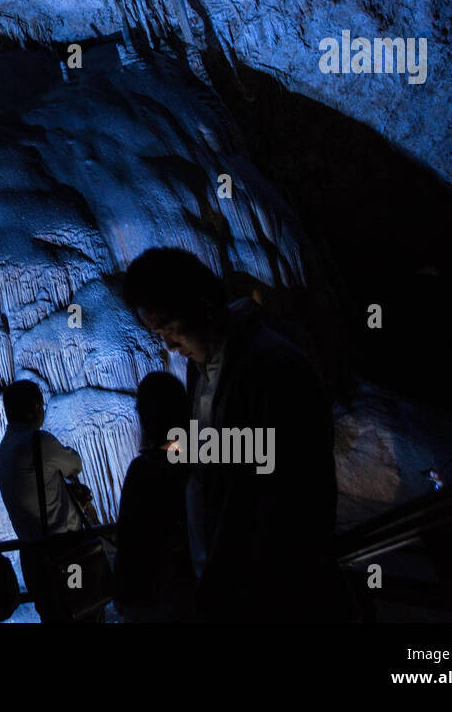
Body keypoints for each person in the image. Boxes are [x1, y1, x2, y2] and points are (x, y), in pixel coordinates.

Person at [122, 247, 351, 621]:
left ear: (203, 306)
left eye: (170, 328)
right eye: (159, 334)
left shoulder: (273, 368)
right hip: (223, 589)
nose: (169, 345)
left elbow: (291, 487)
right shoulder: (201, 371)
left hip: (272, 595)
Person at [0, 379, 100, 621]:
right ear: (34, 408)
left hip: (33, 557)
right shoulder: (39, 442)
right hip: (64, 551)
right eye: (41, 406)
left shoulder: (3, 449)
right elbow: (75, 464)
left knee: (52, 615)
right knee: (83, 609)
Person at [113, 371, 196, 621]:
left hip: (153, 596)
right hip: (196, 587)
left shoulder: (144, 471)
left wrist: (122, 591)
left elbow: (129, 540)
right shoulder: (203, 461)